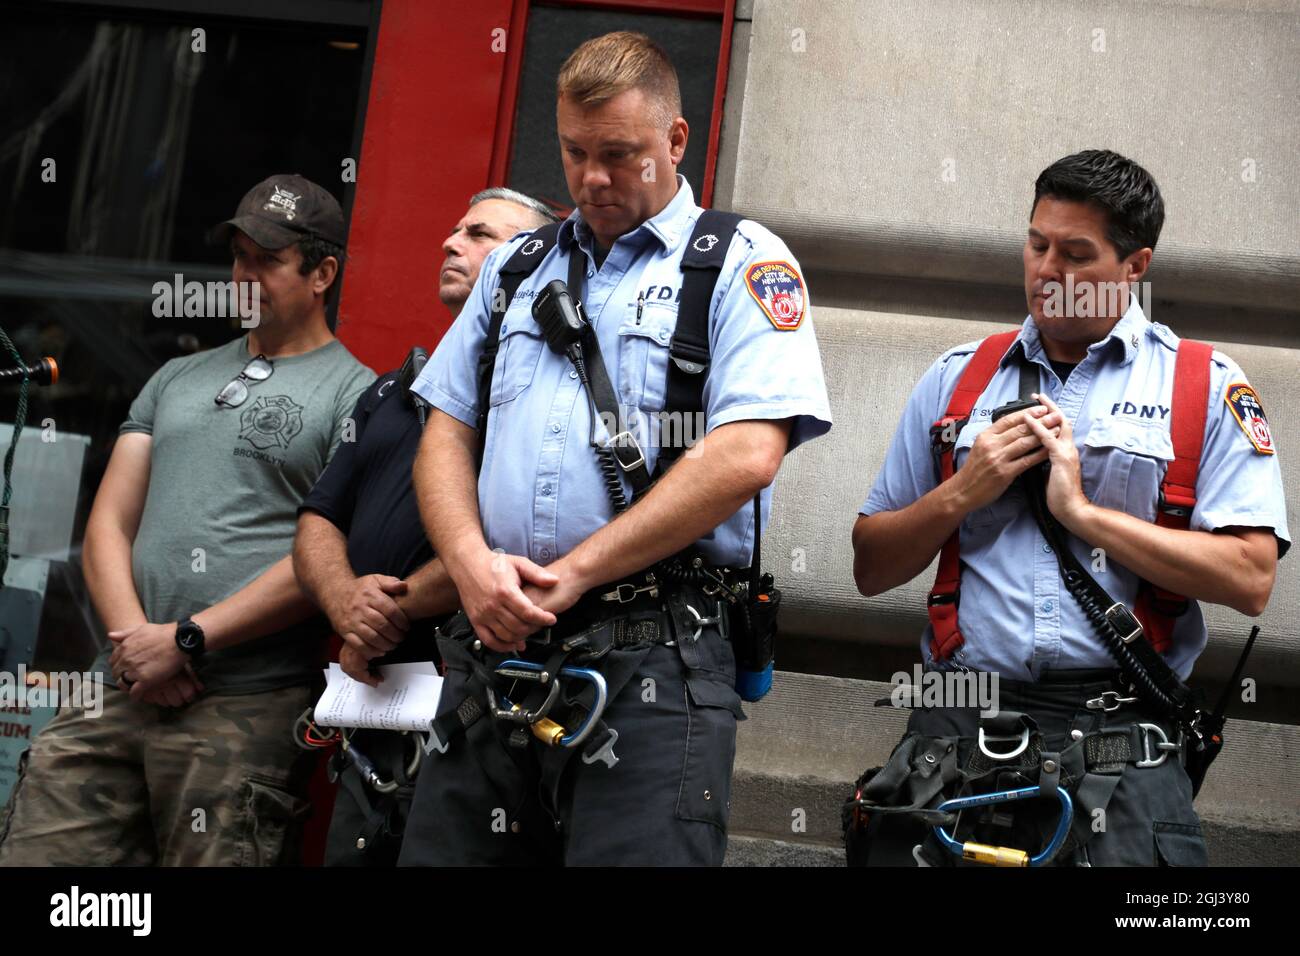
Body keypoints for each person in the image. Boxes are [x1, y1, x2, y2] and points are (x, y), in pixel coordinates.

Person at [399, 31, 832, 866]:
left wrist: (575, 574)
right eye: (574, 152)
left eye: (620, 154)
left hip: (655, 658)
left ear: (675, 140)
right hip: (495, 652)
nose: (593, 178)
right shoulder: (516, 269)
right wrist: (466, 563)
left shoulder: (742, 263)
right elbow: (446, 428)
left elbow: (746, 455)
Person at [849, 149, 1288, 866]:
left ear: (1135, 265)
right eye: (1036, 243)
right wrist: (965, 489)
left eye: (1076, 253)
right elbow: (871, 566)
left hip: (1122, 746)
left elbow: (1250, 577)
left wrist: (1084, 515)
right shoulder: (958, 379)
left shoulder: (1204, 386)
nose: (1047, 270)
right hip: (956, 730)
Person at [0, 174, 375, 866]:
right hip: (122, 680)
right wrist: (139, 645)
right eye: (238, 256)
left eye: (265, 259)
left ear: (322, 272)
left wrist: (190, 640)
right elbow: (109, 523)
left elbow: (327, 562)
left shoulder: (358, 396)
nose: (243, 274)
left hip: (242, 701)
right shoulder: (178, 377)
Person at [293, 187, 557, 866]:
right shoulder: (389, 389)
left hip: (476, 699)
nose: (450, 242)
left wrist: (382, 612)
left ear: (535, 263)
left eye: (479, 234)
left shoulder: (543, 397)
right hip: (375, 700)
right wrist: (346, 605)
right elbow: (319, 518)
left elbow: (514, 534)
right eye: (452, 229)